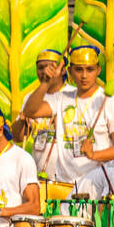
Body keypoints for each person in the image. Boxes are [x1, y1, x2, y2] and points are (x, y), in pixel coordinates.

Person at [21, 44, 114, 198]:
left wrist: (95, 155)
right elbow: (30, 112)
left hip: (95, 185)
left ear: (98, 70)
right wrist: (45, 82)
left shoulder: (110, 102)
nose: (84, 76)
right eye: (79, 70)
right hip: (63, 185)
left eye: (90, 69)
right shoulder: (62, 98)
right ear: (70, 71)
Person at [13, 48, 74, 180]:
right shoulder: (31, 98)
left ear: (62, 70)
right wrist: (22, 121)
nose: (45, 71)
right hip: (40, 173)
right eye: (40, 67)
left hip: (69, 176)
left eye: (50, 67)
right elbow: (17, 137)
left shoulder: (73, 94)